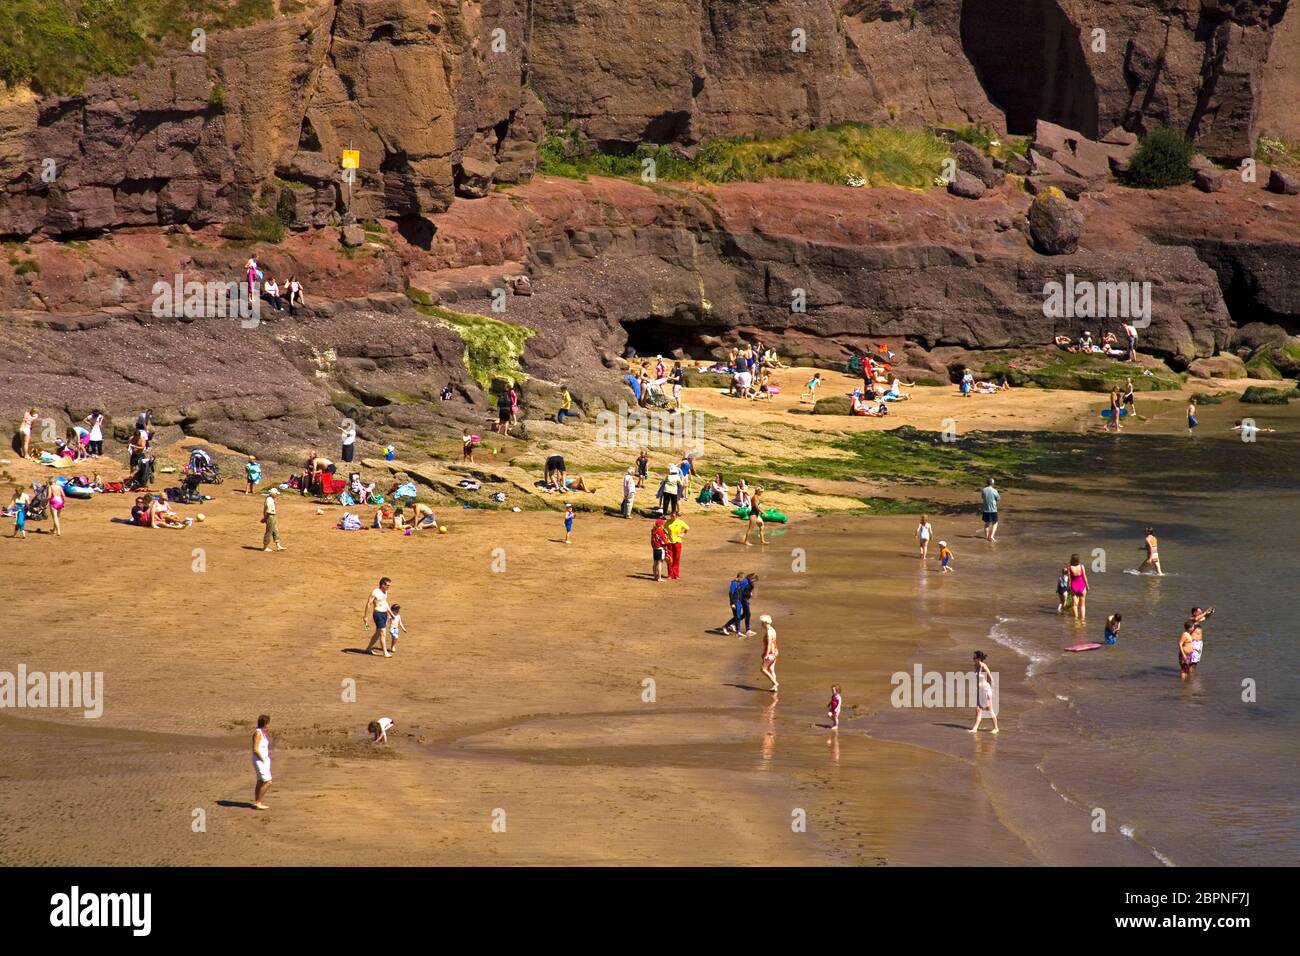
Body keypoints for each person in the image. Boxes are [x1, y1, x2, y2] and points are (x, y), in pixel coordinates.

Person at [969, 652, 999, 733]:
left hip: (986, 690)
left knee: (989, 710)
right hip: (980, 691)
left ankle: (996, 728)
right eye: (973, 657)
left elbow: (990, 678)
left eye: (974, 658)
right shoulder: (975, 666)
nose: (973, 659)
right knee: (978, 709)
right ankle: (975, 728)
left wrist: (992, 689)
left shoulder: (983, 666)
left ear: (978, 659)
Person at [364, 577, 394, 657]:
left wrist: (390, 613)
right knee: (383, 632)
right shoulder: (375, 592)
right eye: (387, 585)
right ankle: (385, 652)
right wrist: (365, 616)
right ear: (382, 584)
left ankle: (368, 648)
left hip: (384, 614)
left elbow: (385, 603)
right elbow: (369, 603)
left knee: (378, 633)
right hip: (378, 614)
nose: (388, 587)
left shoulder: (385, 592)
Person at [251, 715, 272, 809]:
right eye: (268, 724)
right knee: (268, 781)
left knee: (260, 781)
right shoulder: (258, 733)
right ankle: (258, 802)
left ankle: (257, 802)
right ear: (265, 724)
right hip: (259, 760)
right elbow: (255, 749)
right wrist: (262, 759)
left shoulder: (263, 733)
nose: (269, 725)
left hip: (264, 760)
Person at [665, 513, 688, 579]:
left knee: (676, 558)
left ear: (676, 516)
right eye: (672, 516)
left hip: (678, 541)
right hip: (669, 542)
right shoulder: (667, 522)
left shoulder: (680, 522)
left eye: (674, 516)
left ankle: (676, 575)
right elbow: (662, 528)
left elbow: (687, 528)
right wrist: (666, 534)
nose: (673, 517)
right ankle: (670, 574)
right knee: (670, 558)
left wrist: (682, 534)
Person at [759, 614, 779, 692]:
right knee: (771, 669)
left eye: (762, 623)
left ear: (765, 623)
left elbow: (769, 644)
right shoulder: (773, 629)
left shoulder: (769, 632)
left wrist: (766, 655)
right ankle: (775, 687)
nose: (761, 624)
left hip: (770, 653)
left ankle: (775, 683)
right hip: (775, 652)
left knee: (763, 669)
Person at [1067, 553, 1088, 623]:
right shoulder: (1082, 566)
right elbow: (1084, 576)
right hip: (1082, 585)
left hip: (1074, 586)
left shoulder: (1069, 567)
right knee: (1082, 605)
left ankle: (1076, 619)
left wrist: (1068, 588)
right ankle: (1082, 620)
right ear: (1078, 559)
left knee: (1074, 605)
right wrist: (1087, 586)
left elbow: (1069, 579)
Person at [650, 518, 670, 582]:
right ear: (661, 525)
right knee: (660, 563)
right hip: (660, 549)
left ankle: (655, 576)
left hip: (655, 549)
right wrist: (666, 536)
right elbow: (664, 541)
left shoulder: (653, 530)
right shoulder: (660, 531)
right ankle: (659, 578)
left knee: (655, 563)